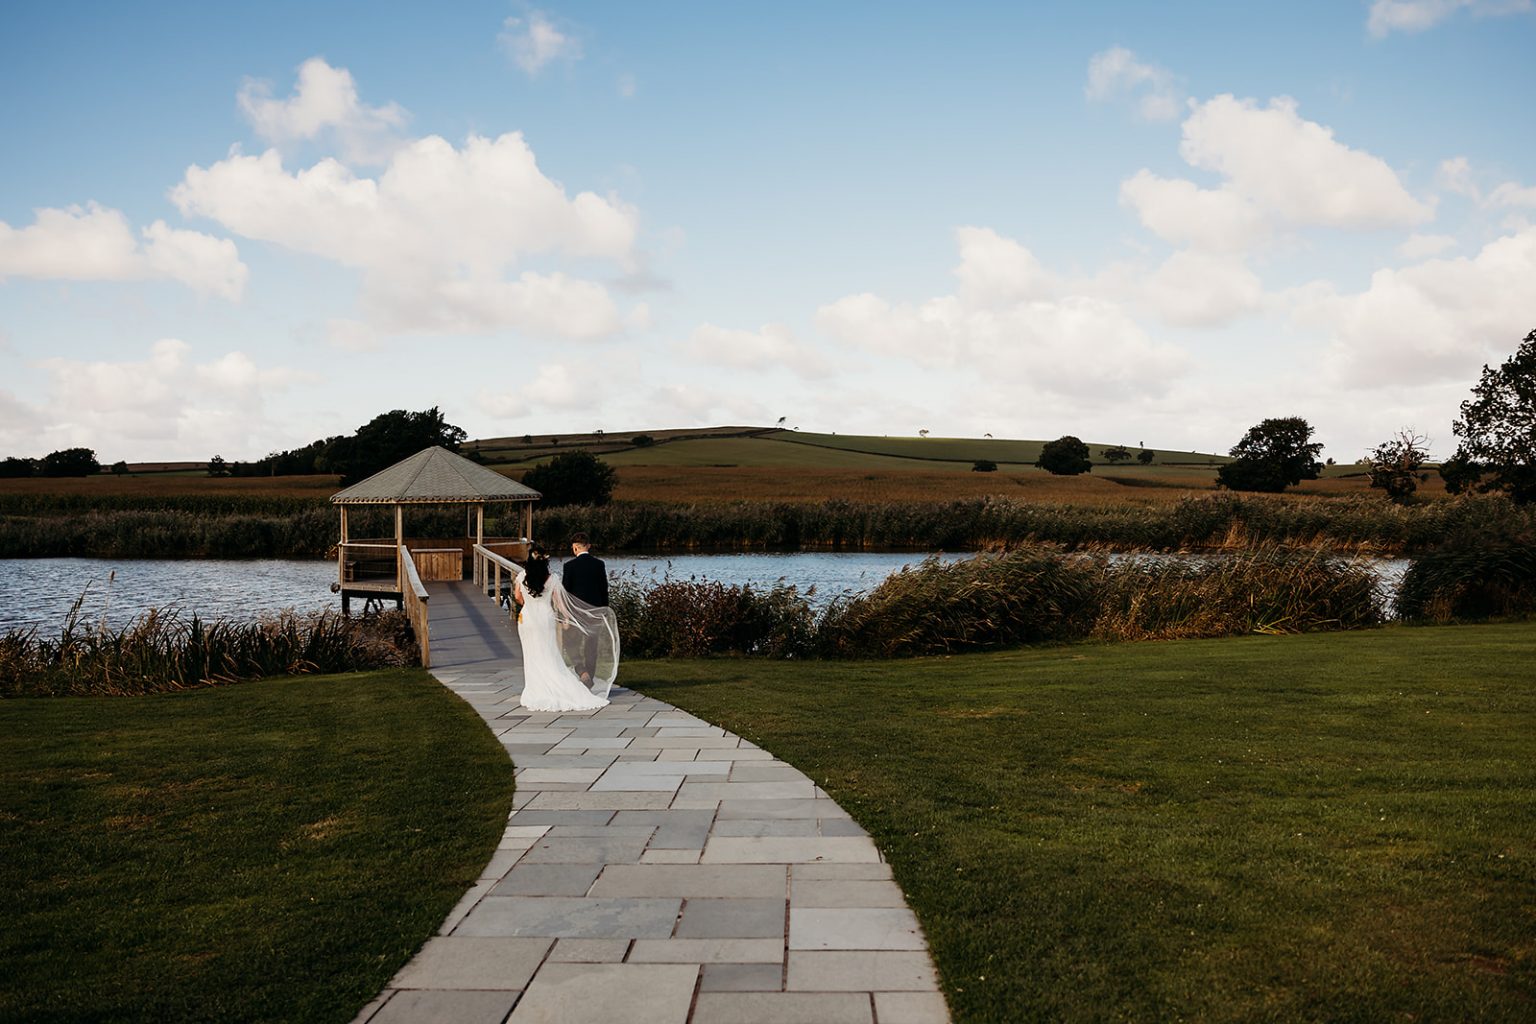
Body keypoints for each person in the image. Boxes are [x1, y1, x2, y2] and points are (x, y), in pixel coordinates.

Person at [512, 548, 615, 712]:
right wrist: (566, 619)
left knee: (531, 654)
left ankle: (535, 688)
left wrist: (529, 604)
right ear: (545, 562)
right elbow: (560, 603)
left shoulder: (522, 577)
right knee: (549, 653)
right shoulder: (552, 579)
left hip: (528, 619)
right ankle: (556, 686)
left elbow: (518, 597)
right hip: (546, 618)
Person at [561, 532, 609, 685]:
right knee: (591, 646)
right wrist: (604, 610)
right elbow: (603, 589)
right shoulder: (599, 564)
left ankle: (581, 671)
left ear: (575, 548)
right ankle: (590, 677)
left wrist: (565, 614)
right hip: (595, 612)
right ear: (588, 546)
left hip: (575, 612)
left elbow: (565, 592)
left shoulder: (569, 566)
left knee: (569, 642)